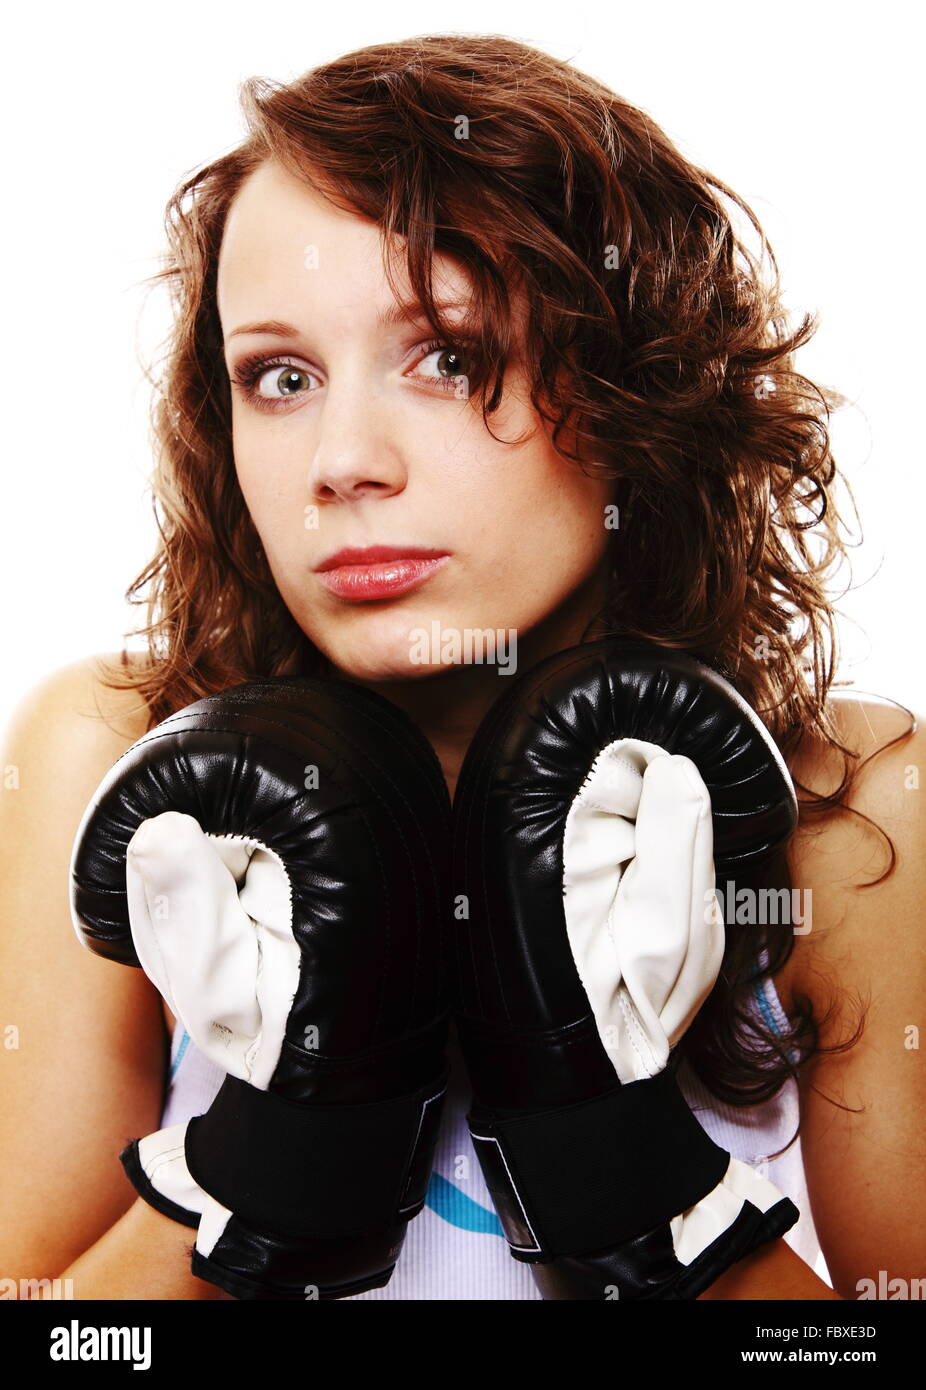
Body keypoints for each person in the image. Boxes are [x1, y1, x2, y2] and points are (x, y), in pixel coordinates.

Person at [1, 33, 922, 1301]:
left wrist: (612, 1158)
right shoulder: (119, 761)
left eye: (445, 353)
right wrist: (287, 1146)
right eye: (278, 376)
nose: (341, 461)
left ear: (626, 380)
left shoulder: (843, 805)